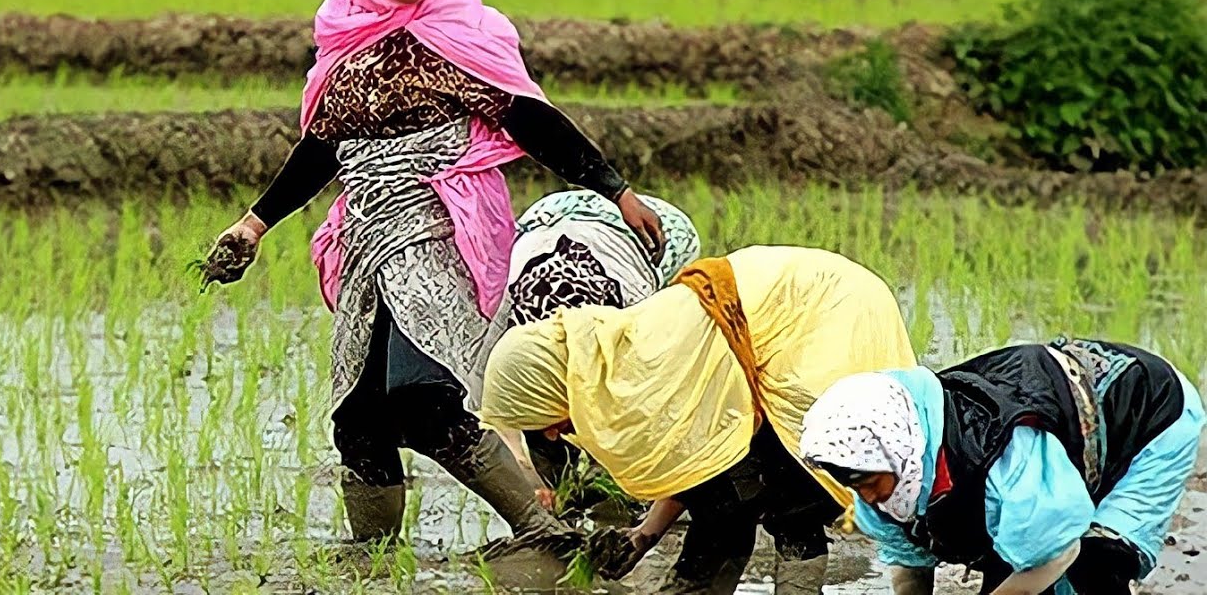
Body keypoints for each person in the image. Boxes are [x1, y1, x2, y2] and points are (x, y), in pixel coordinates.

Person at [202, 0, 667, 548]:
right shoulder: (347, 41)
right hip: (367, 239)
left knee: (421, 398)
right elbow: (321, 147)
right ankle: (373, 559)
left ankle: (543, 530)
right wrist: (253, 224)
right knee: (358, 421)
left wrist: (615, 189)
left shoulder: (458, 38)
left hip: (438, 234)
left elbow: (530, 118)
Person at [480, 245, 919, 594]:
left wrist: (683, 571)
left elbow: (713, 476)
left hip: (822, 318)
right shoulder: (608, 370)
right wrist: (646, 535)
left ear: (552, 385)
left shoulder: (641, 373)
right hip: (790, 318)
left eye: (542, 419)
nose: (554, 433)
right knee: (743, 488)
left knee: (789, 481)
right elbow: (691, 465)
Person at [800, 337, 1204, 595]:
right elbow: (909, 562)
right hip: (1054, 434)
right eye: (856, 486)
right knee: (1009, 556)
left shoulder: (1000, 462)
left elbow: (1055, 555)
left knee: (1096, 565)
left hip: (1149, 411)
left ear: (898, 451)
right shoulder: (882, 459)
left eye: (870, 482)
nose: (869, 498)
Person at [475, 189, 702, 501]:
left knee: (618, 428)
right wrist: (531, 481)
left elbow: (658, 418)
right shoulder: (504, 331)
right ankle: (561, 489)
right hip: (546, 220)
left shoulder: (634, 328)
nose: (554, 433)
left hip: (650, 234)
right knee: (543, 413)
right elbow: (494, 413)